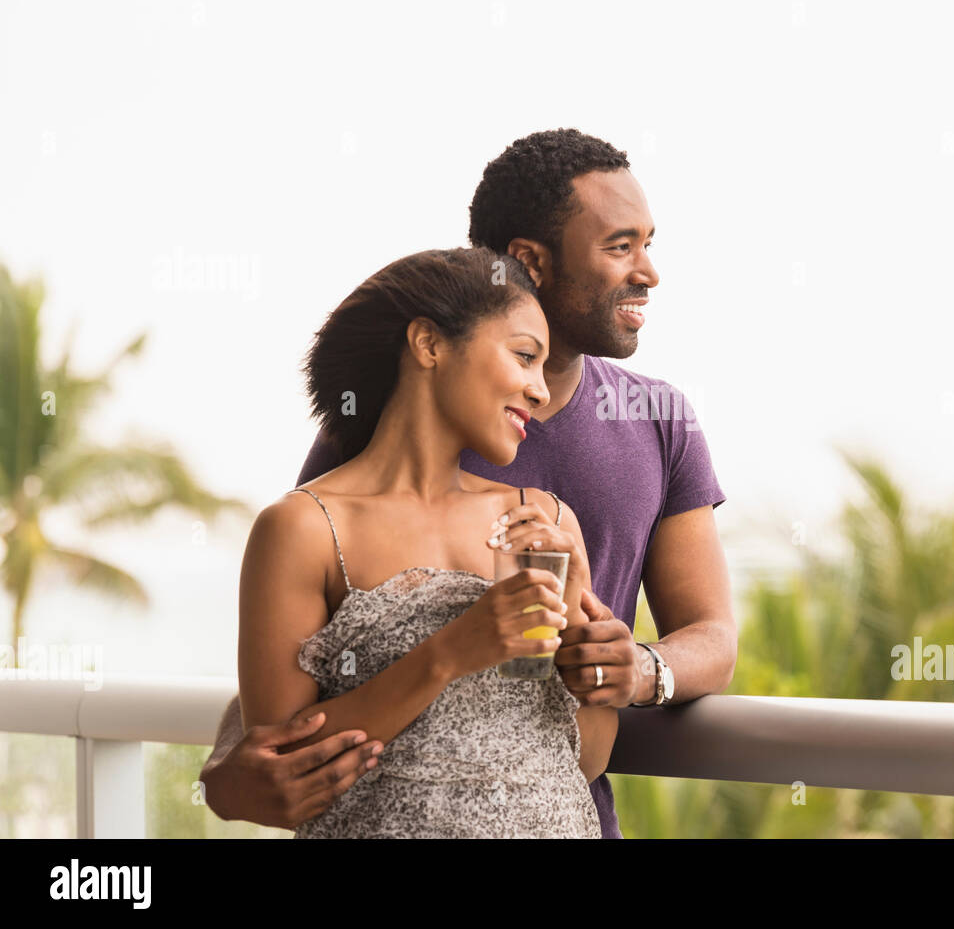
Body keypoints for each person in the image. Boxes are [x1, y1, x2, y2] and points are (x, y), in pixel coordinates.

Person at [201, 128, 736, 838]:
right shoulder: (349, 452)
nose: (648, 272)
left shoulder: (650, 425)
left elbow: (705, 640)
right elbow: (296, 678)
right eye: (619, 245)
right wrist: (226, 772)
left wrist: (627, 665)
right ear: (528, 261)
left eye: (648, 243)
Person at [240, 246, 612, 837]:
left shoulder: (546, 523)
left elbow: (585, 757)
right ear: (429, 344)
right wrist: (450, 653)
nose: (540, 392)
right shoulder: (304, 528)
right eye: (523, 357)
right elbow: (284, 768)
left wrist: (587, 648)